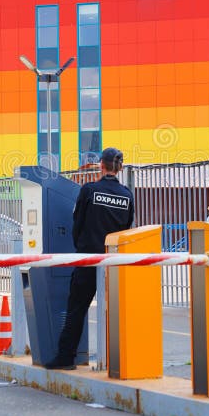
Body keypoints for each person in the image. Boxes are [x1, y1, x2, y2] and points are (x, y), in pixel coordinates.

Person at [45, 147, 135, 370]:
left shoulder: (89, 190)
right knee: (115, 309)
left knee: (76, 308)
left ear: (101, 166)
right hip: (113, 261)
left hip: (88, 259)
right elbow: (127, 228)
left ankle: (66, 357)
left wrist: (81, 246)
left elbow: (77, 223)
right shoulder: (127, 195)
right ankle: (120, 359)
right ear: (120, 168)